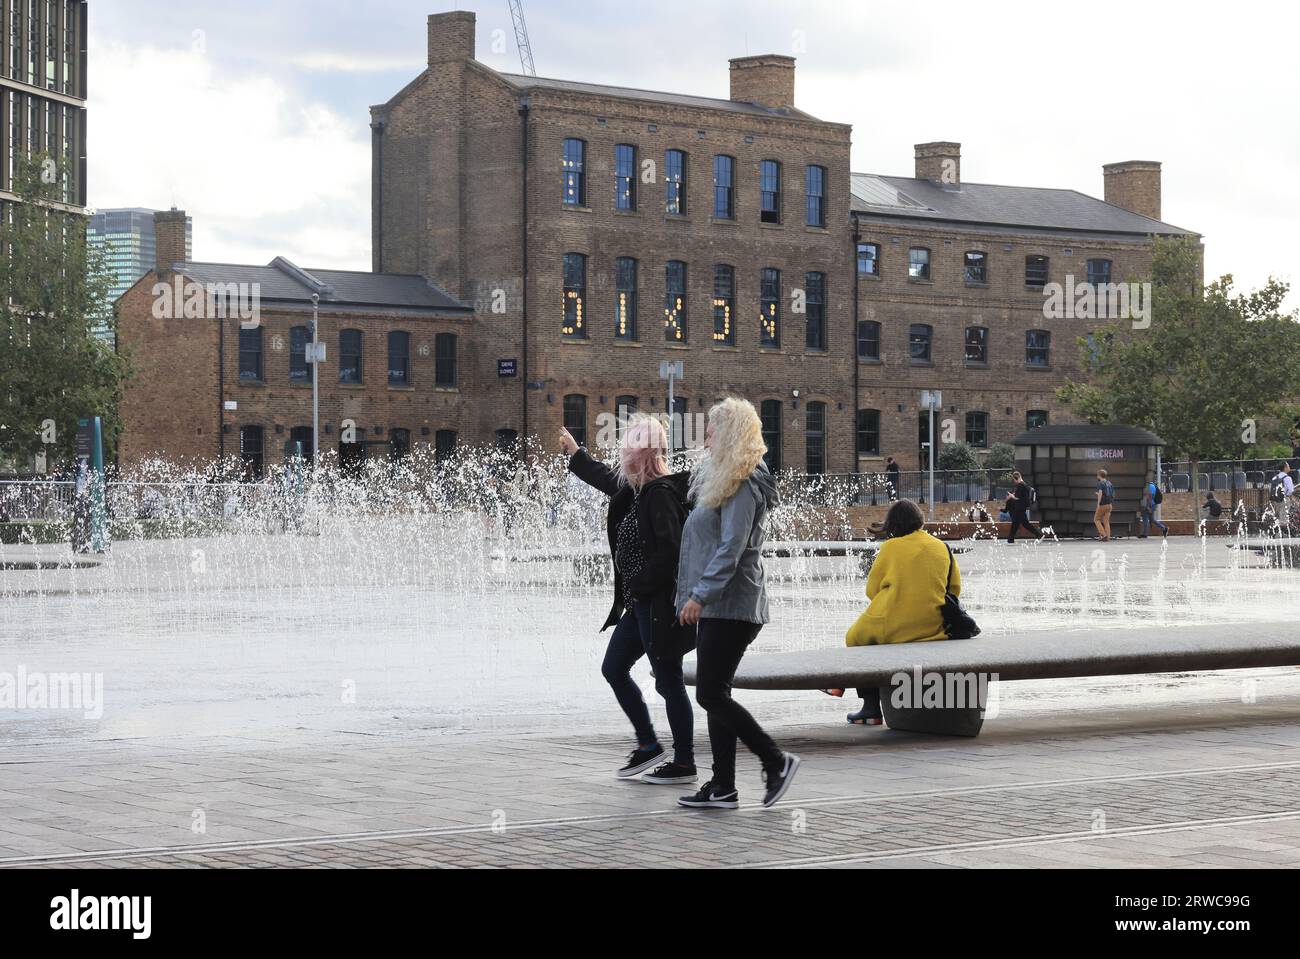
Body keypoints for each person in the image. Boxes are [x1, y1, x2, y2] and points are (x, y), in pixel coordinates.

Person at [676, 398, 799, 810]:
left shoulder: (744, 481)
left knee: (710, 693)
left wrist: (699, 595)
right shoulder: (724, 478)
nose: (706, 437)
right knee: (715, 692)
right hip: (721, 605)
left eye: (712, 430)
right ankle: (723, 786)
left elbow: (732, 547)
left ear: (729, 435)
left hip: (733, 604)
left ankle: (775, 760)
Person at [560, 416, 698, 785]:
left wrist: (640, 581)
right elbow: (607, 479)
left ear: (645, 454)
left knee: (668, 680)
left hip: (657, 605)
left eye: (630, 445)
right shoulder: (635, 490)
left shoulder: (660, 496)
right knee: (614, 668)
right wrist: (577, 455)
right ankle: (649, 744)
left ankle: (684, 761)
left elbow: (670, 553)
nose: (622, 451)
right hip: (639, 606)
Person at [843, 500, 965, 725]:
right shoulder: (941, 546)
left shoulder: (891, 547)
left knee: (855, 638)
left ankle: (870, 708)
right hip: (936, 626)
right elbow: (955, 589)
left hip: (896, 627)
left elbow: (872, 590)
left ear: (894, 525)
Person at [1005, 471, 1041, 543]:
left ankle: (1039, 534)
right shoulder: (1025, 485)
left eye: (1014, 480)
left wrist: (1011, 496)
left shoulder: (1020, 485)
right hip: (1021, 507)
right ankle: (1010, 539)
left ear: (1016, 478)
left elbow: (1017, 497)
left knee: (1023, 524)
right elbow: (1021, 495)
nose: (1014, 482)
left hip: (1020, 507)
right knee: (1017, 523)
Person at [1140, 473, 1169, 538]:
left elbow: (1150, 497)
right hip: (1152, 504)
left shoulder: (1150, 486)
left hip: (1149, 505)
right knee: (1152, 519)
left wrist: (1148, 506)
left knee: (1145, 519)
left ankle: (1145, 534)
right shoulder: (1152, 485)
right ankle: (1164, 528)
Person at [1093, 469, 1115, 541]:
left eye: (1097, 475)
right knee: (1106, 521)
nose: (1097, 476)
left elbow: (1101, 493)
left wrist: (1098, 504)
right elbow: (1112, 494)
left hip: (1103, 504)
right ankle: (1108, 537)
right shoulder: (1109, 483)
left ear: (1099, 475)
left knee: (1096, 519)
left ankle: (1103, 535)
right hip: (1109, 505)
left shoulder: (1100, 483)